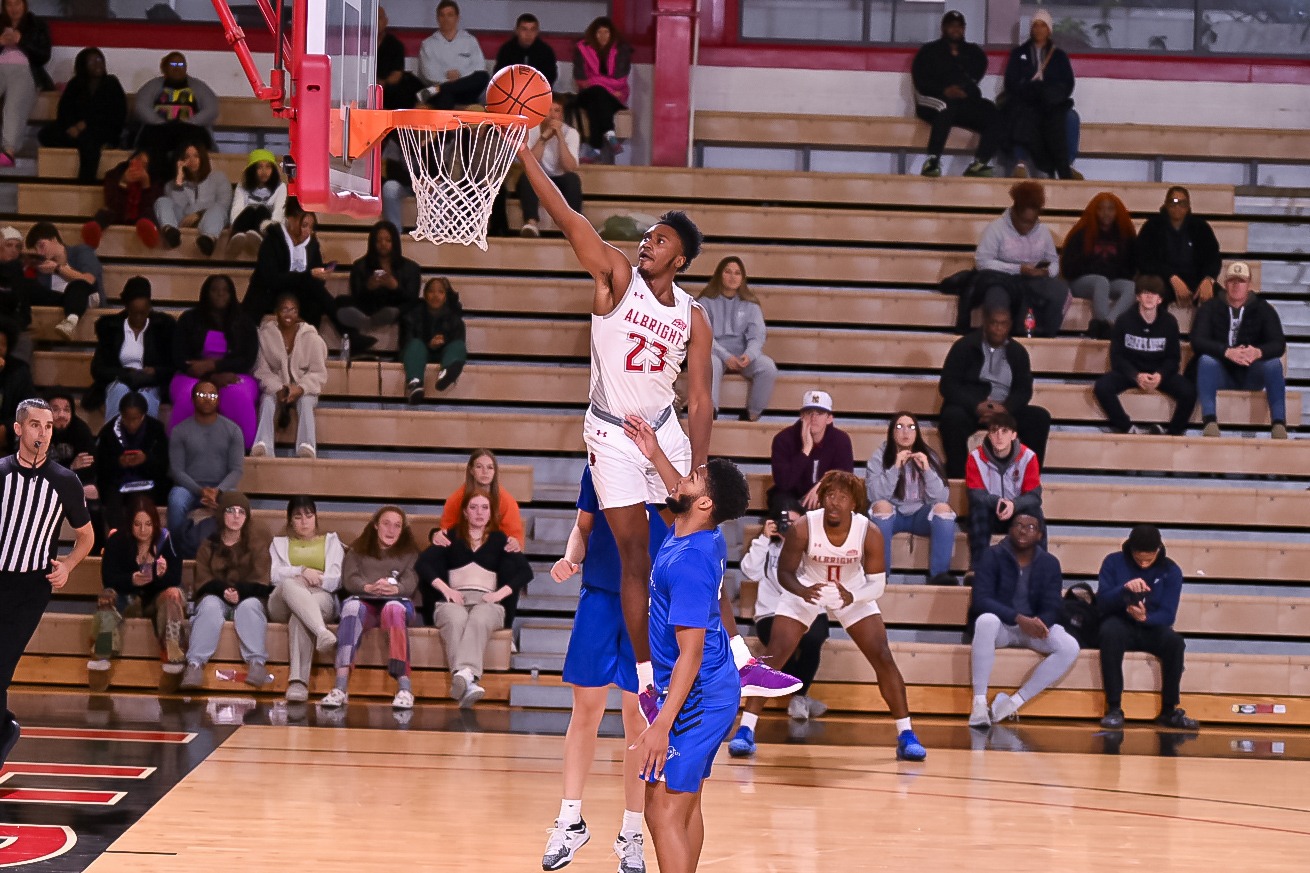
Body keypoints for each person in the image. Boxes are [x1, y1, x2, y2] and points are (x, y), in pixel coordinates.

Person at [621, 419, 754, 873]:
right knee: (685, 803)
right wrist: (654, 451)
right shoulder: (698, 532)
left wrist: (661, 725)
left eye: (691, 478)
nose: (678, 479)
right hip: (708, 692)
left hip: (699, 696)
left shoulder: (692, 563)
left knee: (662, 811)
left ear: (704, 502)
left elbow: (691, 655)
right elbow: (676, 492)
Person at [726, 470, 927, 763]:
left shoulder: (867, 531)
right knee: (775, 654)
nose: (834, 502)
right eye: (830, 495)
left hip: (852, 590)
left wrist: (852, 596)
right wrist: (803, 591)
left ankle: (906, 734)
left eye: (842, 497)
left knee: (882, 655)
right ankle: (746, 730)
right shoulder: (804, 527)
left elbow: (877, 584)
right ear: (821, 499)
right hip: (808, 586)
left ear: (854, 504)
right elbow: (785, 572)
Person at [541, 465, 666, 873]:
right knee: (586, 711)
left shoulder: (674, 465)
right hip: (598, 596)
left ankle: (631, 832)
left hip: (649, 605)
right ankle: (569, 820)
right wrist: (569, 558)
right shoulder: (598, 463)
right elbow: (583, 529)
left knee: (638, 719)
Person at [0, 399, 95, 767]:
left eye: (49, 426)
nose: (44, 432)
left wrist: (68, 565)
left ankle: (4, 731)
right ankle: (5, 727)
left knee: (1, 663)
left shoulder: (64, 481)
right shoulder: (2, 474)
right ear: (20, 429)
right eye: (36, 425)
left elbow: (86, 536)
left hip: (31, 586)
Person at [418, 489, 532, 706]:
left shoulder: (500, 540)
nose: (479, 512)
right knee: (454, 619)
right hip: (454, 599)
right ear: (465, 512)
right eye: (473, 507)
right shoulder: (451, 536)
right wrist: (447, 590)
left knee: (480, 618)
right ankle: (468, 679)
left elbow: (525, 572)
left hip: (486, 601)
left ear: (491, 513)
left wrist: (499, 594)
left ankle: (464, 673)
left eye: (484, 508)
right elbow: (423, 564)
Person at [967, 513, 1078, 727]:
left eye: (1030, 526)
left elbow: (1053, 604)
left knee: (1069, 646)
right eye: (1018, 524)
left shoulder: (1049, 563)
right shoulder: (991, 556)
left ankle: (1012, 703)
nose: (1023, 529)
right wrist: (1018, 618)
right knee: (985, 621)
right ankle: (979, 704)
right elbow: (981, 600)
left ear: (1039, 535)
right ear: (1010, 529)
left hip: (1033, 629)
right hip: (1003, 627)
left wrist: (1040, 623)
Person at [1096, 524, 1199, 731]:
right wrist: (1123, 590)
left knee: (1175, 643)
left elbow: (1168, 614)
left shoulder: (1171, 570)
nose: (1143, 564)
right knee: (1109, 632)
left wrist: (1145, 617)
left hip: (1150, 626)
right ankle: (1114, 708)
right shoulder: (1113, 562)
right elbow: (1101, 603)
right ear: (1130, 550)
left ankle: (1169, 710)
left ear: (1158, 551)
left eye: (1148, 559)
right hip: (1120, 622)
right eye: (1138, 559)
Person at [321, 505, 422, 711]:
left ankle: (404, 688)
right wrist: (367, 587)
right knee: (351, 608)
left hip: (397, 601)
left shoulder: (410, 553)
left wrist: (396, 589)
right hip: (366, 600)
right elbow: (350, 579)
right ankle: (340, 687)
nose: (391, 530)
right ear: (376, 525)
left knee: (393, 609)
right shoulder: (358, 550)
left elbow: (410, 582)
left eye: (397, 526)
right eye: (386, 524)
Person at [740, 504, 830, 722]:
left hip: (807, 608)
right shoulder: (767, 546)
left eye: (794, 523)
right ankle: (801, 698)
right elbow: (749, 571)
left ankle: (798, 697)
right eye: (784, 522)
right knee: (781, 644)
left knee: (815, 638)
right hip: (770, 613)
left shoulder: (812, 547)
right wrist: (763, 539)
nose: (788, 527)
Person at [937, 304, 1051, 478]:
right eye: (994, 323)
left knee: (1039, 417)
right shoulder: (964, 346)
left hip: (1005, 410)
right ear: (985, 323)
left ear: (1010, 325)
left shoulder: (1017, 352)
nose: (998, 328)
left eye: (1003, 324)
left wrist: (1005, 410)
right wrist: (976, 405)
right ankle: (958, 476)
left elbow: (1023, 390)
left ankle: (1028, 478)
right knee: (952, 417)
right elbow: (948, 385)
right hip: (971, 409)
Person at [181, 491, 272, 690]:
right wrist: (224, 591)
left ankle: (257, 663)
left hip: (249, 595)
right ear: (222, 514)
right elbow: (203, 579)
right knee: (209, 606)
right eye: (231, 511)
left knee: (249, 607)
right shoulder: (208, 544)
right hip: (216, 595)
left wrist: (240, 592)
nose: (236, 516)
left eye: (241, 512)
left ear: (247, 517)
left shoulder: (256, 544)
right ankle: (195, 664)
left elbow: (262, 581)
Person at [92, 495, 186, 684]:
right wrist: (132, 580)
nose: (143, 530)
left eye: (148, 524)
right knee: (107, 595)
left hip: (156, 600)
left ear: (155, 523)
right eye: (137, 524)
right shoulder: (116, 540)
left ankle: (172, 650)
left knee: (173, 594)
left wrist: (160, 576)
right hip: (127, 598)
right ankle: (103, 650)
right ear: (130, 523)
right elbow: (108, 578)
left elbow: (175, 578)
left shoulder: (167, 540)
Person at [1191, 261, 1288, 439]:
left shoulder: (1263, 309)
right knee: (1206, 361)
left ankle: (1279, 424)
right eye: (1232, 281)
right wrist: (1227, 351)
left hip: (1252, 371)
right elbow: (1197, 341)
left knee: (1274, 364)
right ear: (1226, 283)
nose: (1236, 286)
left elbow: (1278, 344)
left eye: (1241, 281)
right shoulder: (1210, 308)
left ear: (1249, 284)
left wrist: (1258, 352)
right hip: (1223, 372)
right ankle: (1210, 421)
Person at [1094, 275, 1195, 436]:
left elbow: (1173, 359)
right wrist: (1135, 376)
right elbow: (1117, 357)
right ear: (1138, 297)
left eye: (1154, 294)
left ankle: (1173, 434)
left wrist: (1160, 376)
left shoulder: (1169, 322)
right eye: (1145, 293)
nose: (1149, 297)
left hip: (1159, 373)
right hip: (1131, 372)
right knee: (1102, 387)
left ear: (1160, 299)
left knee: (1189, 392)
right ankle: (1128, 428)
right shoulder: (1124, 320)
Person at [865, 412, 956, 585]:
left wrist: (927, 470)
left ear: (917, 432)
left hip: (920, 516)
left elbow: (942, 497)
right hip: (893, 515)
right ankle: (879, 576)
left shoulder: (928, 456)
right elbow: (874, 496)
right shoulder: (879, 456)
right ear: (892, 432)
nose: (906, 432)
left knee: (943, 509)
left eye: (911, 427)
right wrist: (895, 467)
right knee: (882, 506)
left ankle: (939, 577)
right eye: (900, 427)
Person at [267, 496, 343, 703]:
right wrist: (301, 571)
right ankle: (321, 632)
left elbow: (336, 579)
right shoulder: (279, 543)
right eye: (298, 516)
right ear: (290, 520)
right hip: (283, 599)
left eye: (309, 516)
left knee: (299, 616)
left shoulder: (331, 541)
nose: (304, 521)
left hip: (320, 596)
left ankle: (298, 683)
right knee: (290, 583)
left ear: (316, 518)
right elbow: (274, 575)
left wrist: (314, 579)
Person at [170, 274, 259, 449]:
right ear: (205, 293)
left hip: (233, 375)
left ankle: (243, 451)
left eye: (225, 291)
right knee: (192, 395)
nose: (220, 294)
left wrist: (213, 366)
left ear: (232, 294)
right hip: (193, 375)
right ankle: (179, 449)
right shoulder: (189, 319)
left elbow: (247, 359)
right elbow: (178, 356)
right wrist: (210, 377)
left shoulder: (244, 322)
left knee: (237, 396)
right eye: (215, 290)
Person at [972, 181, 1069, 338]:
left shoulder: (1043, 232)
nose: (1026, 227)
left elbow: (1054, 261)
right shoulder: (996, 228)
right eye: (1023, 222)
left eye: (1031, 223)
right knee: (997, 300)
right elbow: (982, 262)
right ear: (1014, 212)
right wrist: (1017, 269)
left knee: (1060, 291)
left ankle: (1044, 336)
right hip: (1001, 280)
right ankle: (1001, 339)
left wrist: (1046, 272)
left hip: (1032, 280)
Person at [242, 198, 345, 342]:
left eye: (310, 226)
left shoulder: (312, 243)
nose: (307, 231)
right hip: (271, 293)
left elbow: (314, 279)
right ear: (290, 219)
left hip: (299, 294)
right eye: (304, 225)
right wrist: (307, 275)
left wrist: (320, 276)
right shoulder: (273, 240)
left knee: (318, 297)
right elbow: (271, 279)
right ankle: (348, 331)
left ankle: (313, 342)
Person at [911, 11, 997, 179]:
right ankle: (932, 161)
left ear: (964, 29)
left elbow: (976, 74)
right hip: (931, 100)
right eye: (952, 26)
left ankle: (980, 163)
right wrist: (944, 91)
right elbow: (921, 82)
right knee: (945, 106)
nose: (956, 29)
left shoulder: (973, 52)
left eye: (959, 26)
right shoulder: (929, 51)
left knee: (992, 112)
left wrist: (964, 91)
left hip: (961, 104)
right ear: (944, 28)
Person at [166, 379, 244, 552]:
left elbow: (236, 469)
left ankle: (231, 551)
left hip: (222, 489)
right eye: (202, 395)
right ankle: (176, 551)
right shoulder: (179, 431)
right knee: (176, 499)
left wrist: (218, 491)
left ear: (218, 399)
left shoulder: (233, 430)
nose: (207, 398)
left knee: (237, 502)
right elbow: (177, 470)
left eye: (212, 395)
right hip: (189, 489)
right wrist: (200, 491)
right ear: (193, 400)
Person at [1000, 9, 1078, 180]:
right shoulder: (1018, 53)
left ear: (1049, 29)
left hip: (1051, 103)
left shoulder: (1059, 56)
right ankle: (1020, 163)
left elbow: (1068, 83)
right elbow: (1011, 82)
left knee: (1070, 118)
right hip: (1026, 101)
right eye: (1035, 25)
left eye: (1043, 26)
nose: (1039, 29)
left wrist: (1049, 93)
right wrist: (1030, 90)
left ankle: (1067, 164)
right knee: (1020, 115)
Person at [697, 256, 777, 421]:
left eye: (737, 273)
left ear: (742, 278)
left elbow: (757, 336)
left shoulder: (751, 305)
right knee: (711, 363)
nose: (732, 277)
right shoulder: (704, 303)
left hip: (742, 354)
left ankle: (752, 413)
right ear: (720, 274)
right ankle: (710, 412)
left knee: (767, 367)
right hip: (715, 352)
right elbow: (702, 335)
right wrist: (725, 356)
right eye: (728, 272)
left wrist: (750, 355)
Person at [251, 294, 328, 459]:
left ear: (298, 313)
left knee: (307, 402)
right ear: (276, 312)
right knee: (267, 400)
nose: (289, 314)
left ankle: (306, 446)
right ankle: (263, 444)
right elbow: (262, 370)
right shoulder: (264, 336)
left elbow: (318, 372)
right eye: (285, 309)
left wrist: (300, 388)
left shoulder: (312, 338)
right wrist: (279, 388)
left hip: (303, 388)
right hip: (276, 387)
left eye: (293, 310)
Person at [964, 413, 1043, 570]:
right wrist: (997, 502)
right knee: (978, 509)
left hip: (1017, 512)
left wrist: (1014, 504)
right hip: (990, 512)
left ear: (1013, 435)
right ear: (989, 435)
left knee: (1035, 513)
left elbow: (1034, 496)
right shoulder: (975, 457)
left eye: (1004, 431)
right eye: (994, 431)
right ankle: (978, 569)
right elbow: (975, 494)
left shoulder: (1028, 456)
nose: (999, 436)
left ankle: (1039, 569)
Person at [37, 46, 126, 183]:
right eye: (92, 61)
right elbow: (64, 109)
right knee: (46, 133)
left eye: (99, 59)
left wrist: (86, 124)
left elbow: (116, 112)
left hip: (103, 129)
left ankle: (85, 183)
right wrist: (70, 126)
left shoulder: (111, 83)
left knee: (90, 142)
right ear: (83, 65)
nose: (97, 64)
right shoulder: (75, 84)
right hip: (77, 131)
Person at [89, 275, 175, 417]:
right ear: (126, 308)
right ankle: (114, 436)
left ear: (150, 307)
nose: (139, 318)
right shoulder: (111, 328)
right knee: (119, 392)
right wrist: (124, 373)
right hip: (120, 379)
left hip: (150, 382)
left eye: (143, 313)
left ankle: (147, 438)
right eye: (135, 313)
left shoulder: (163, 328)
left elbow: (172, 366)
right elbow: (98, 369)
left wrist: (155, 371)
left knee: (146, 397)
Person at [1061, 192, 1137, 339]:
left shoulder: (1124, 235)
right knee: (1100, 281)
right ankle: (1104, 327)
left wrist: (1109, 270)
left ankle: (1107, 324)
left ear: (1117, 212)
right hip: (1082, 281)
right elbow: (1068, 268)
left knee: (1131, 287)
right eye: (1101, 209)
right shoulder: (1081, 233)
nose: (1105, 213)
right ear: (1094, 211)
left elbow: (1130, 269)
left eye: (1110, 209)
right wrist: (1097, 269)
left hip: (1112, 280)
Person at [132, 52, 219, 179]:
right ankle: (159, 180)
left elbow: (211, 109)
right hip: (160, 128)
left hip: (190, 129)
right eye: (173, 64)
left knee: (192, 140)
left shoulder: (199, 87)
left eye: (181, 64)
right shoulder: (152, 86)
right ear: (164, 67)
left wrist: (189, 122)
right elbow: (140, 107)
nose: (177, 67)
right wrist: (160, 122)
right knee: (153, 141)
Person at [95, 391, 170, 534]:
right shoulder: (109, 431)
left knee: (139, 502)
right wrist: (119, 463)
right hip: (117, 484)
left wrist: (146, 460)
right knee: (113, 503)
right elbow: (101, 468)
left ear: (143, 416)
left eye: (135, 419)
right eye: (126, 418)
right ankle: (118, 540)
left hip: (148, 482)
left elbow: (164, 466)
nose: (130, 423)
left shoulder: (156, 429)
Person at [1135, 186, 1222, 308]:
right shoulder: (1152, 226)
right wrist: (1171, 277)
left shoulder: (1200, 227)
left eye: (1182, 203)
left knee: (1219, 296)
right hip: (1163, 279)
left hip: (1194, 279)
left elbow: (1213, 258)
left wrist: (1208, 279)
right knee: (1153, 290)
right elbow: (1144, 259)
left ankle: (1203, 327)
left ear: (1189, 206)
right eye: (1173, 202)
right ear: (1165, 204)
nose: (1177, 207)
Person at [769, 390, 855, 514]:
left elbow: (845, 478)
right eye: (809, 413)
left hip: (827, 495)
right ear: (802, 416)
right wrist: (806, 449)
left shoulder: (841, 440)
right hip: (791, 497)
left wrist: (821, 486)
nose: (813, 418)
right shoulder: (783, 439)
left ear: (829, 418)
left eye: (819, 413)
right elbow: (784, 483)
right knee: (784, 505)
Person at [340, 220, 420, 340]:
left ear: (395, 242)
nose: (383, 244)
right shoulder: (360, 265)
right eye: (378, 240)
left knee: (417, 304)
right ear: (372, 243)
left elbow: (412, 296)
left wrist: (395, 287)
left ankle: (390, 316)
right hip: (370, 306)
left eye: (388, 240)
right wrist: (369, 287)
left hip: (396, 307)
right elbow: (356, 295)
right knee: (341, 301)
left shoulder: (411, 267)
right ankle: (364, 326)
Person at [24, 221, 104, 340]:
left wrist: (58, 269)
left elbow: (88, 280)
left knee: (78, 284)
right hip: (62, 301)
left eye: (41, 246)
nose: (40, 253)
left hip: (85, 295)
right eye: (36, 249)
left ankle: (71, 319)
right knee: (27, 285)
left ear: (54, 239)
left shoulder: (81, 252)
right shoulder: (43, 269)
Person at [517, 95, 582, 239]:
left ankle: (572, 227)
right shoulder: (531, 130)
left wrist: (560, 138)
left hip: (559, 181)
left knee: (573, 179)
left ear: (562, 115)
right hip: (538, 179)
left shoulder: (571, 133)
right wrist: (543, 138)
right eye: (548, 110)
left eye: (557, 111)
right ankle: (531, 224)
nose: (552, 115)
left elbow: (569, 167)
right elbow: (528, 164)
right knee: (526, 177)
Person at [437, 449, 524, 548]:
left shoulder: (507, 501)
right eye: (479, 467)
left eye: (490, 467)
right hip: (462, 549)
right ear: (471, 470)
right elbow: (446, 534)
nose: (485, 472)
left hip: (495, 551)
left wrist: (514, 543)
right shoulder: (456, 499)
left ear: (495, 472)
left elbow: (514, 538)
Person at [155, 142, 230, 256]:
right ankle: (169, 232)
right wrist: (179, 182)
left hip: (209, 219)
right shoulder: (171, 185)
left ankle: (208, 240)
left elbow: (224, 205)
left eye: (196, 156)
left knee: (218, 209)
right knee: (162, 201)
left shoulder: (219, 178)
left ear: (203, 158)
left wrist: (199, 214)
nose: (192, 160)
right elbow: (178, 207)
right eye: (187, 157)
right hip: (183, 221)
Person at [0, 0, 50, 168]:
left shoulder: (36, 25)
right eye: (9, 5)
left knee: (13, 103)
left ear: (25, 5)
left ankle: (8, 151)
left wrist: (21, 41)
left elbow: (43, 55)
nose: (13, 9)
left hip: (25, 70)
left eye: (17, 4)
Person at [80, 149, 163, 250]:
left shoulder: (155, 182)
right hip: (118, 213)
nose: (139, 167)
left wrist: (146, 186)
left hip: (141, 215)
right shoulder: (115, 175)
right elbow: (111, 203)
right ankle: (94, 230)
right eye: (137, 160)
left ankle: (148, 231)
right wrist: (123, 183)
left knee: (148, 214)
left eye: (144, 165)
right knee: (105, 213)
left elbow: (151, 206)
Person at [573, 16, 631, 159]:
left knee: (597, 101)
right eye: (599, 32)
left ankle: (595, 147)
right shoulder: (582, 48)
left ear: (612, 34)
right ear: (594, 34)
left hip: (614, 97)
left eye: (606, 32)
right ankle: (610, 133)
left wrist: (595, 80)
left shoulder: (621, 49)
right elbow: (581, 80)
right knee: (598, 94)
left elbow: (621, 81)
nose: (603, 36)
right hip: (594, 94)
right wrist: (607, 87)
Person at [400, 276, 466, 402]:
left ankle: (447, 371)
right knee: (415, 345)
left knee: (457, 345)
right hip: (416, 354)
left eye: (440, 292)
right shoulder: (411, 316)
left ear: (445, 296)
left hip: (443, 355)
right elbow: (404, 343)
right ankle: (415, 383)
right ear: (424, 295)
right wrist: (428, 345)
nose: (436, 295)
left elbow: (458, 344)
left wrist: (443, 342)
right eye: (431, 291)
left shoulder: (455, 320)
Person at [417, 1, 489, 111]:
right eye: (442, 15)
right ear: (437, 18)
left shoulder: (470, 40)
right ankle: (441, 91)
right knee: (445, 96)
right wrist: (448, 79)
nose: (446, 19)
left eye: (450, 15)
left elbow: (479, 67)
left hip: (464, 91)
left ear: (457, 18)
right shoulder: (428, 44)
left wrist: (459, 76)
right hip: (440, 94)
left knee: (483, 76)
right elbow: (429, 73)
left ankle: (439, 89)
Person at [226, 149, 286, 257]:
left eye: (268, 167)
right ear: (253, 170)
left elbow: (279, 213)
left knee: (262, 210)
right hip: (244, 225)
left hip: (267, 228)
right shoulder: (242, 186)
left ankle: (259, 240)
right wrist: (235, 224)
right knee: (249, 210)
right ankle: (235, 240)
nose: (264, 171)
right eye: (260, 167)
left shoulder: (281, 187)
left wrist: (270, 227)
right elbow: (237, 208)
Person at [46, 391, 97, 506]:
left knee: (91, 490)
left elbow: (89, 470)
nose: (62, 415)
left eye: (66, 410)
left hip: (72, 481)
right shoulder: (35, 432)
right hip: (43, 483)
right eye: (56, 409)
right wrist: (71, 467)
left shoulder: (81, 430)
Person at [376, 6, 424, 110]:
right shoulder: (361, 43)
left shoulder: (395, 45)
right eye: (373, 18)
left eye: (379, 18)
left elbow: (396, 75)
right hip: (367, 88)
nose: (375, 22)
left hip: (389, 87)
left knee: (403, 89)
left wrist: (380, 84)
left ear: (385, 21)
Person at [0, 323, 36, 455]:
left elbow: (29, 408)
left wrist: (8, 429)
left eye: (2, 344)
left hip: (7, 439)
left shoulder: (19, 371)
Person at [494, 12, 558, 84]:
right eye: (524, 29)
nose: (528, 34)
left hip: (537, 90)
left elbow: (550, 77)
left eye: (532, 29)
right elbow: (499, 75)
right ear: (517, 31)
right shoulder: (507, 50)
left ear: (537, 32)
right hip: (512, 90)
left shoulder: (546, 51)